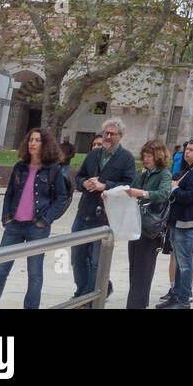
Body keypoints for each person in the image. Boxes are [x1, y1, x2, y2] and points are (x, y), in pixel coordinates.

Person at [0, 128, 72, 309]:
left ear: (45, 144)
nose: (33, 143)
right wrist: (6, 217)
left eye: (37, 140)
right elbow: (9, 194)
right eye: (31, 140)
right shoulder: (20, 167)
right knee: (0, 270)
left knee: (34, 273)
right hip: (14, 226)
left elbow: (62, 197)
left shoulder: (53, 169)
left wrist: (45, 220)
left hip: (37, 227)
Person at [70, 117, 135, 303]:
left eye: (111, 134)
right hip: (84, 213)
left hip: (106, 218)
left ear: (120, 136)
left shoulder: (126, 158)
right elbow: (80, 176)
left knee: (96, 262)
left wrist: (104, 186)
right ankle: (82, 293)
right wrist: (85, 183)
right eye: (105, 132)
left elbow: (129, 184)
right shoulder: (94, 154)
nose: (107, 136)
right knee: (77, 258)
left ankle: (90, 299)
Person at [158, 138, 193, 309]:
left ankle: (184, 299)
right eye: (187, 149)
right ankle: (176, 295)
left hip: (187, 223)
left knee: (184, 263)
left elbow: (188, 197)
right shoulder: (190, 168)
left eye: (192, 150)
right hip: (178, 221)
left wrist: (174, 188)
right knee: (179, 261)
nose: (188, 152)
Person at [125, 140, 172, 309]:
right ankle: (139, 304)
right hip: (137, 226)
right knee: (135, 268)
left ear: (158, 156)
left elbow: (165, 193)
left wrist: (142, 193)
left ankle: (134, 305)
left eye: (149, 156)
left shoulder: (164, 174)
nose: (145, 159)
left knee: (143, 270)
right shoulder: (143, 174)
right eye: (144, 156)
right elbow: (130, 189)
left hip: (151, 228)